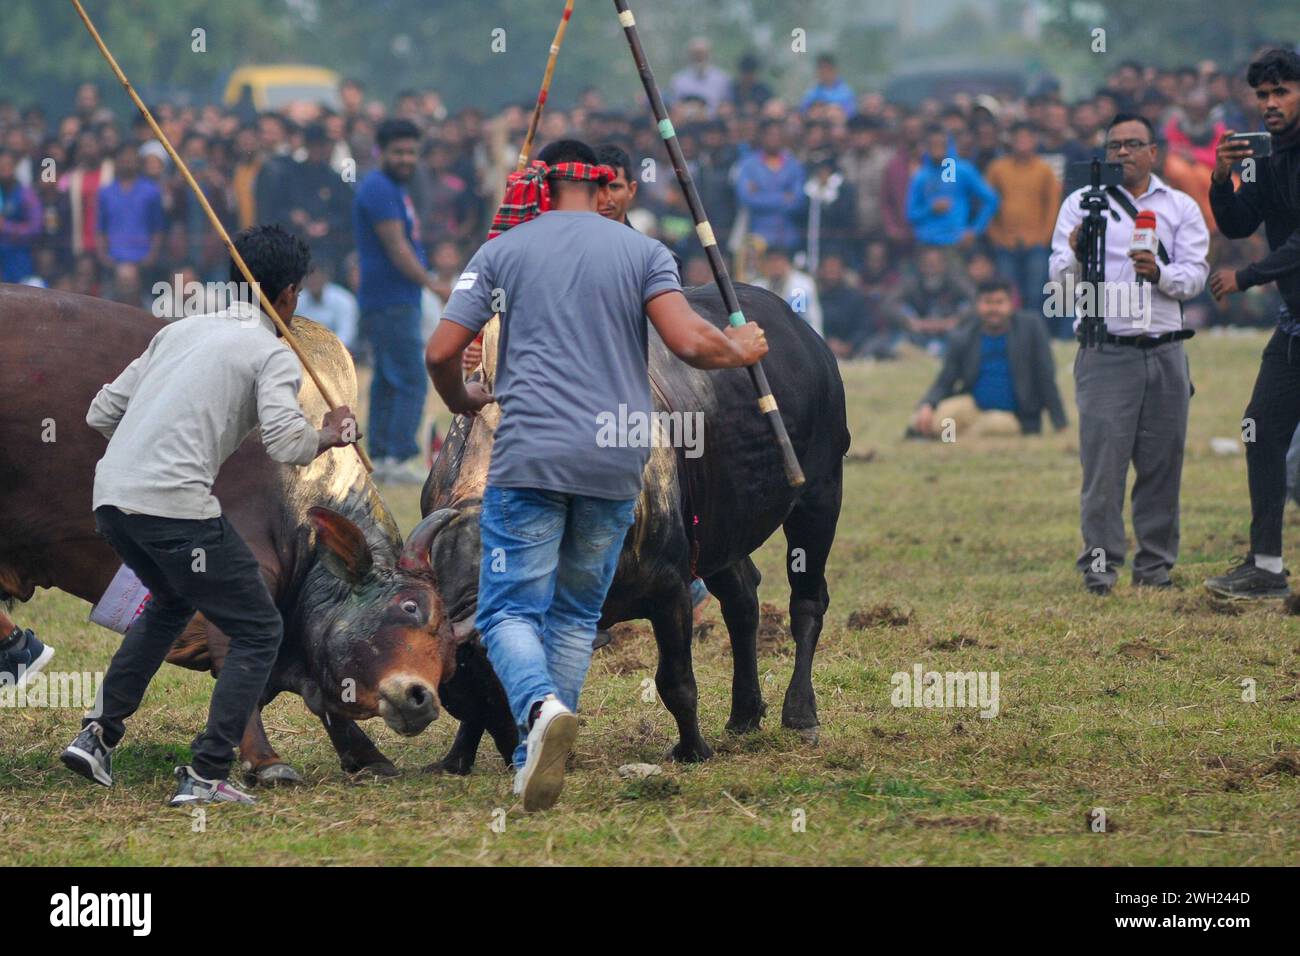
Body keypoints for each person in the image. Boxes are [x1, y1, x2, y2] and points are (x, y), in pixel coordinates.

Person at [424, 139, 767, 812]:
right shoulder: (642, 253)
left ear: (541, 185)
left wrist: (461, 400)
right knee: (579, 615)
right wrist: (741, 348)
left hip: (531, 458)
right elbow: (691, 343)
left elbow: (442, 350)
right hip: (618, 462)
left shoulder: (502, 252)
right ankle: (534, 760)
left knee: (505, 611)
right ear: (602, 187)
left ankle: (539, 706)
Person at [60, 225, 361, 806]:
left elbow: (102, 412)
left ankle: (97, 735)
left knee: (171, 603)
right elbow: (287, 443)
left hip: (113, 502)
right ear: (291, 294)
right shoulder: (271, 352)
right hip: (174, 510)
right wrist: (332, 432)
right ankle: (206, 775)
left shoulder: (181, 331)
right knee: (257, 627)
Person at [1049, 113, 1209, 595]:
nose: (1123, 153)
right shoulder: (1080, 204)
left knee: (1163, 464)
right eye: (1115, 145)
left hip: (1165, 350)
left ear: (1153, 152)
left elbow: (1196, 274)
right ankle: (1100, 568)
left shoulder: (1179, 206)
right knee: (1103, 468)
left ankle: (1155, 567)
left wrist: (1159, 273)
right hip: (1105, 350)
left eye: (1134, 144)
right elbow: (1059, 281)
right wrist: (1078, 252)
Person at [1204, 50, 1300, 599]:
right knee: (1260, 429)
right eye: (1263, 95)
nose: (1270, 104)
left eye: (1282, 91)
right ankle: (1266, 568)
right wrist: (1221, 179)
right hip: (1295, 327)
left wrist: (1249, 278)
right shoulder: (1266, 157)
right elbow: (1240, 222)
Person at [353, 118, 438, 485]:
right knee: (411, 378)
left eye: (411, 152)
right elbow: (397, 247)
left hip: (393, 298)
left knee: (388, 378)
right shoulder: (378, 188)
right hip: (390, 297)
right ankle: (399, 456)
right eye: (398, 152)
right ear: (380, 152)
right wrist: (433, 284)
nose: (406, 158)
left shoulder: (393, 187)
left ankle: (385, 457)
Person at [908, 277, 1067, 439]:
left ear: (1011, 305)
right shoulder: (966, 334)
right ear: (977, 305)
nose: (993, 308)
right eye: (987, 302)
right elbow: (946, 380)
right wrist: (928, 405)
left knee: (990, 428)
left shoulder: (1030, 328)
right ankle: (934, 433)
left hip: (1012, 416)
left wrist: (1060, 424)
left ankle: (949, 439)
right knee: (940, 420)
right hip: (973, 407)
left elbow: (1046, 377)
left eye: (999, 302)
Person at [984, 122, 1061, 317]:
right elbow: (987, 203)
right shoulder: (997, 169)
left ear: (1034, 141)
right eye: (1018, 139)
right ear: (1010, 141)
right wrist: (994, 235)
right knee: (1007, 293)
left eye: (1027, 139)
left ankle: (1032, 335)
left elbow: (1052, 207)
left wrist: (1044, 238)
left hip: (1036, 243)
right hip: (1004, 243)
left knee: (1036, 294)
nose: (1022, 143)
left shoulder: (1044, 170)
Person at [906, 126, 999, 249]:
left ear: (949, 145)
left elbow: (991, 199)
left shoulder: (963, 170)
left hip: (956, 243)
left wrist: (975, 230)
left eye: (941, 144)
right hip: (927, 244)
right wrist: (930, 208)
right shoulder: (920, 176)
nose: (937, 149)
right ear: (927, 147)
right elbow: (911, 214)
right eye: (933, 144)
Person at [735, 118, 806, 253]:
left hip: (788, 237)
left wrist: (761, 194)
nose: (774, 139)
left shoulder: (794, 165)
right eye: (770, 134)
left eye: (778, 135)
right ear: (761, 136)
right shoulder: (748, 165)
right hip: (757, 238)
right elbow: (746, 199)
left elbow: (798, 201)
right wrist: (784, 197)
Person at [96, 142, 164, 274]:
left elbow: (158, 228)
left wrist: (151, 256)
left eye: (131, 159)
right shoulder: (105, 192)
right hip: (113, 260)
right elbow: (100, 228)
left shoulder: (151, 191)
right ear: (117, 162)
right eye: (123, 159)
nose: (127, 163)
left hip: (143, 261)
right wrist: (103, 257)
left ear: (138, 162)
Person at [752, 245, 823, 336]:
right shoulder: (757, 286)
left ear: (788, 262)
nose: (775, 264)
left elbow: (799, 319)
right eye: (771, 260)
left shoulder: (801, 286)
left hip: (800, 338)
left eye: (779, 260)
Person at [0, 147, 42, 283]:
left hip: (20, 263)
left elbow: (35, 228)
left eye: (7, 166)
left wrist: (6, 226)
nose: (4, 169)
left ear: (15, 166)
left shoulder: (26, 194)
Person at [297, 261, 359, 351]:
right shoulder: (297, 301)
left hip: (340, 354)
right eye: (309, 278)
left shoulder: (344, 300)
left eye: (316, 277)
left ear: (325, 277)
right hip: (305, 354)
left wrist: (326, 350)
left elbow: (347, 334)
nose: (313, 281)